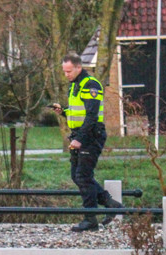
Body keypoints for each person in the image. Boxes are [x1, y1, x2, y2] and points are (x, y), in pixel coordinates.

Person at [51, 53, 124, 232]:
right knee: (76, 176)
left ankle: (90, 219)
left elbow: (91, 116)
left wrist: (79, 139)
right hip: (80, 134)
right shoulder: (75, 85)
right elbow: (79, 112)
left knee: (83, 176)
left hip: (91, 135)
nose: (66, 75)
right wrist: (64, 111)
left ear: (78, 67)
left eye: (69, 71)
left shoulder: (91, 85)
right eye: (64, 71)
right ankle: (110, 204)